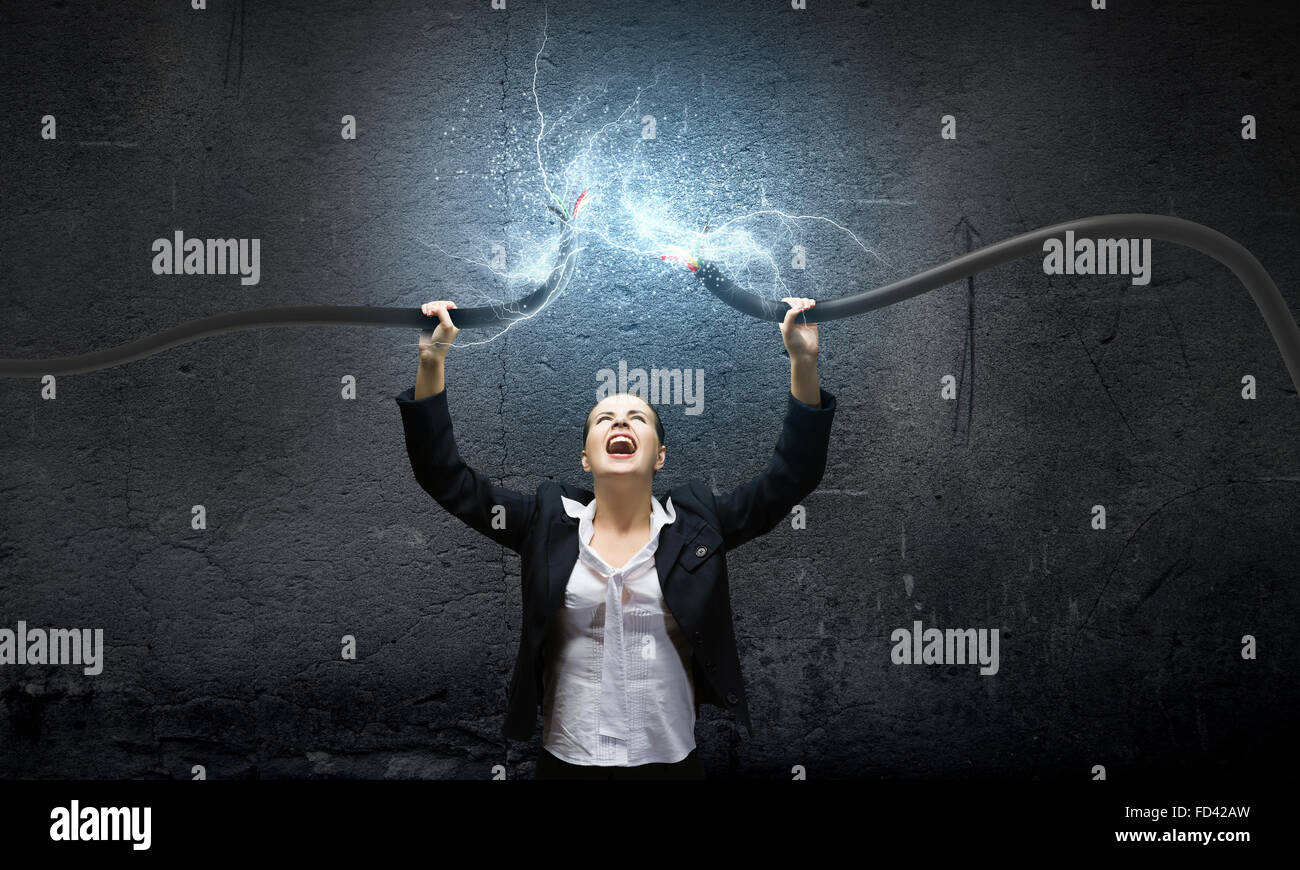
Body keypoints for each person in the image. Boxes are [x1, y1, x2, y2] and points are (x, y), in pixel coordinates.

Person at [395, 296, 836, 779]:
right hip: (567, 764)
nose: (621, 421)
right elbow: (445, 477)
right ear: (585, 458)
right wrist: (431, 360)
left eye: (637, 417)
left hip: (671, 764)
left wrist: (803, 360)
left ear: (660, 456)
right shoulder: (544, 522)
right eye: (605, 418)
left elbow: (791, 477)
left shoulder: (697, 528)